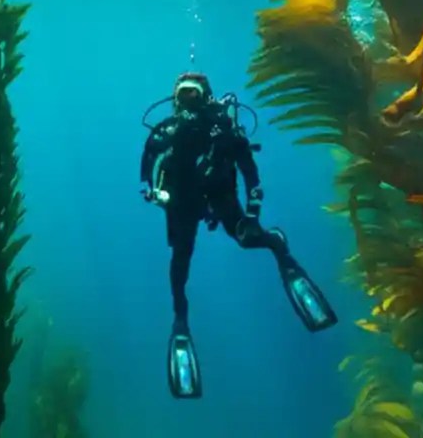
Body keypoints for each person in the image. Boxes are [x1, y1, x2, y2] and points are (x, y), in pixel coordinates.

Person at [139, 71, 337, 398]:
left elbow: (251, 175)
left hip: (221, 198)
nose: (188, 102)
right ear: (174, 100)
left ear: (207, 98)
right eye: (183, 95)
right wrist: (155, 194)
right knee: (180, 263)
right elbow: (147, 169)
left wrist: (251, 216)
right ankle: (180, 321)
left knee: (248, 239)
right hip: (183, 202)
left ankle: (281, 253)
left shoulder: (224, 130)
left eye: (194, 95)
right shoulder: (167, 132)